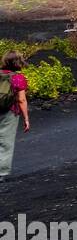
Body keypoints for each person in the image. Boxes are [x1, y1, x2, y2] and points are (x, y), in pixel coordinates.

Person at [0, 51, 31, 180]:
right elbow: (21, 100)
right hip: (9, 112)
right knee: (5, 141)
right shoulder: (18, 78)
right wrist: (26, 118)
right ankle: (1, 172)